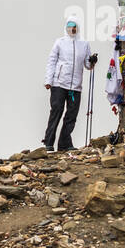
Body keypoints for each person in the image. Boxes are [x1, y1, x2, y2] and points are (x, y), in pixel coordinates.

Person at [43, 19, 97, 151]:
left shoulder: (84, 44)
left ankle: (64, 143)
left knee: (71, 115)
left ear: (77, 28)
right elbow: (52, 61)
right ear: (66, 28)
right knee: (56, 111)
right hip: (59, 84)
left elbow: (87, 65)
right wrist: (48, 81)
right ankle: (48, 143)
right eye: (69, 27)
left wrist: (92, 61)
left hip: (75, 86)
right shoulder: (60, 42)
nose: (72, 29)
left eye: (74, 27)